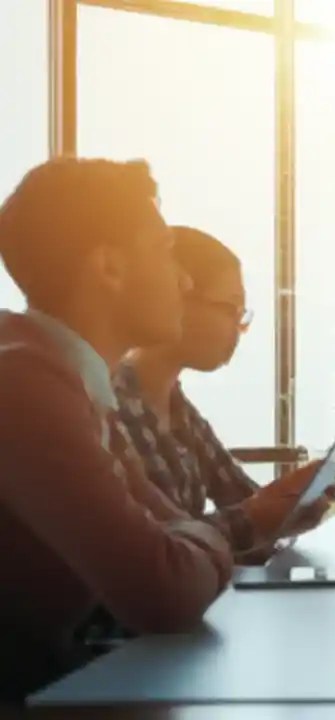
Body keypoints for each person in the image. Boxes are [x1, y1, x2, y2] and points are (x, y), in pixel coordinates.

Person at [0, 159, 232, 700]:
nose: (184, 279)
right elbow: (163, 591)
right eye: (165, 251)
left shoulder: (73, 382)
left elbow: (172, 529)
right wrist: (213, 539)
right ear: (109, 267)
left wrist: (193, 541)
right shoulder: (25, 385)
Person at [113, 226, 335, 564]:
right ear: (179, 294)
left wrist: (290, 504)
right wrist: (264, 514)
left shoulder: (177, 407)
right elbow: (164, 547)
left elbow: (240, 498)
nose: (238, 327)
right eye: (231, 307)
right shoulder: (113, 407)